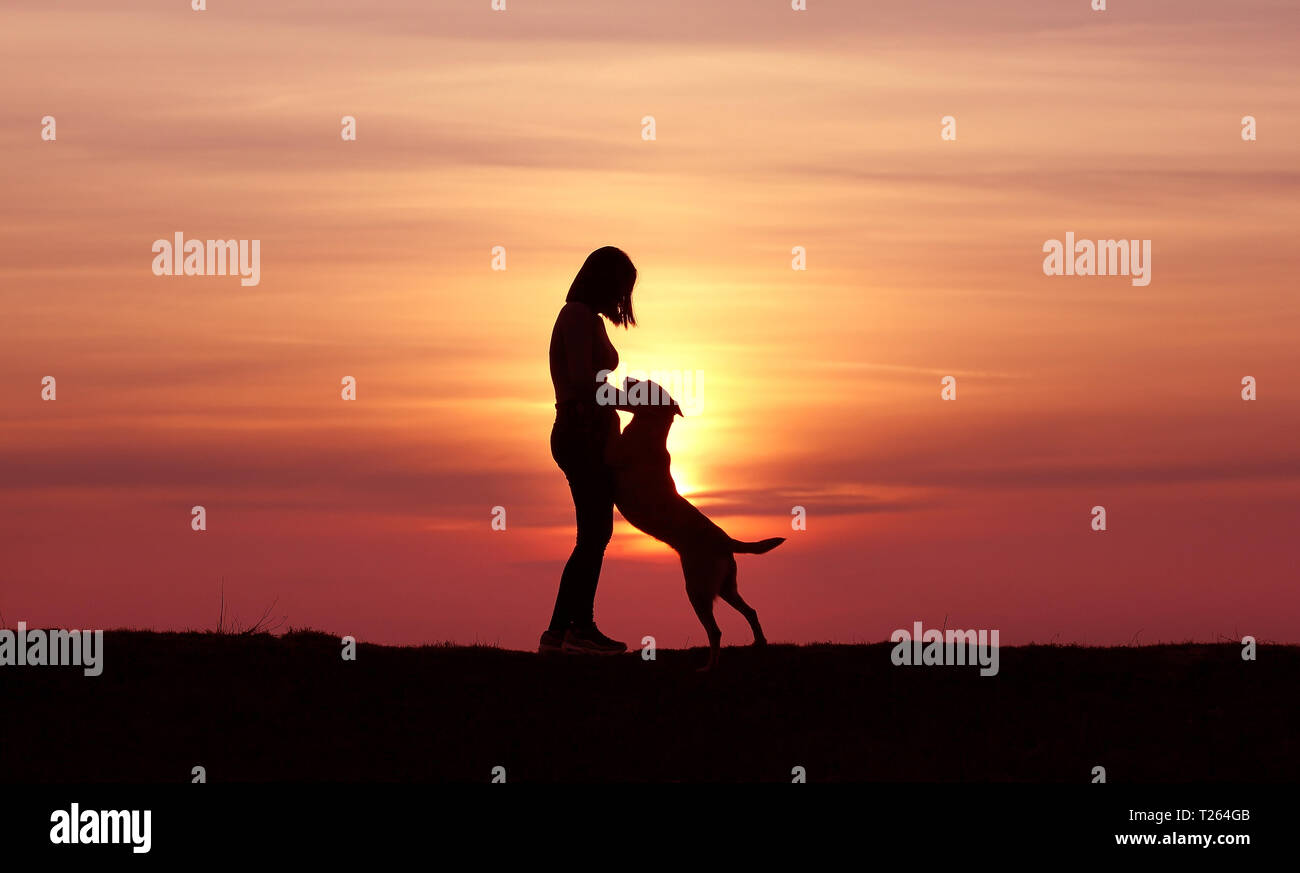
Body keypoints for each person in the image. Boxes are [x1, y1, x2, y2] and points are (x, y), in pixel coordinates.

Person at [541, 246, 638, 655]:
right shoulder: (578, 317)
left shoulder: (585, 318)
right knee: (594, 536)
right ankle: (576, 630)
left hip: (588, 433)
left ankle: (562, 632)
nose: (622, 299)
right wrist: (633, 397)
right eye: (620, 288)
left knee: (594, 535)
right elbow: (582, 381)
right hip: (580, 434)